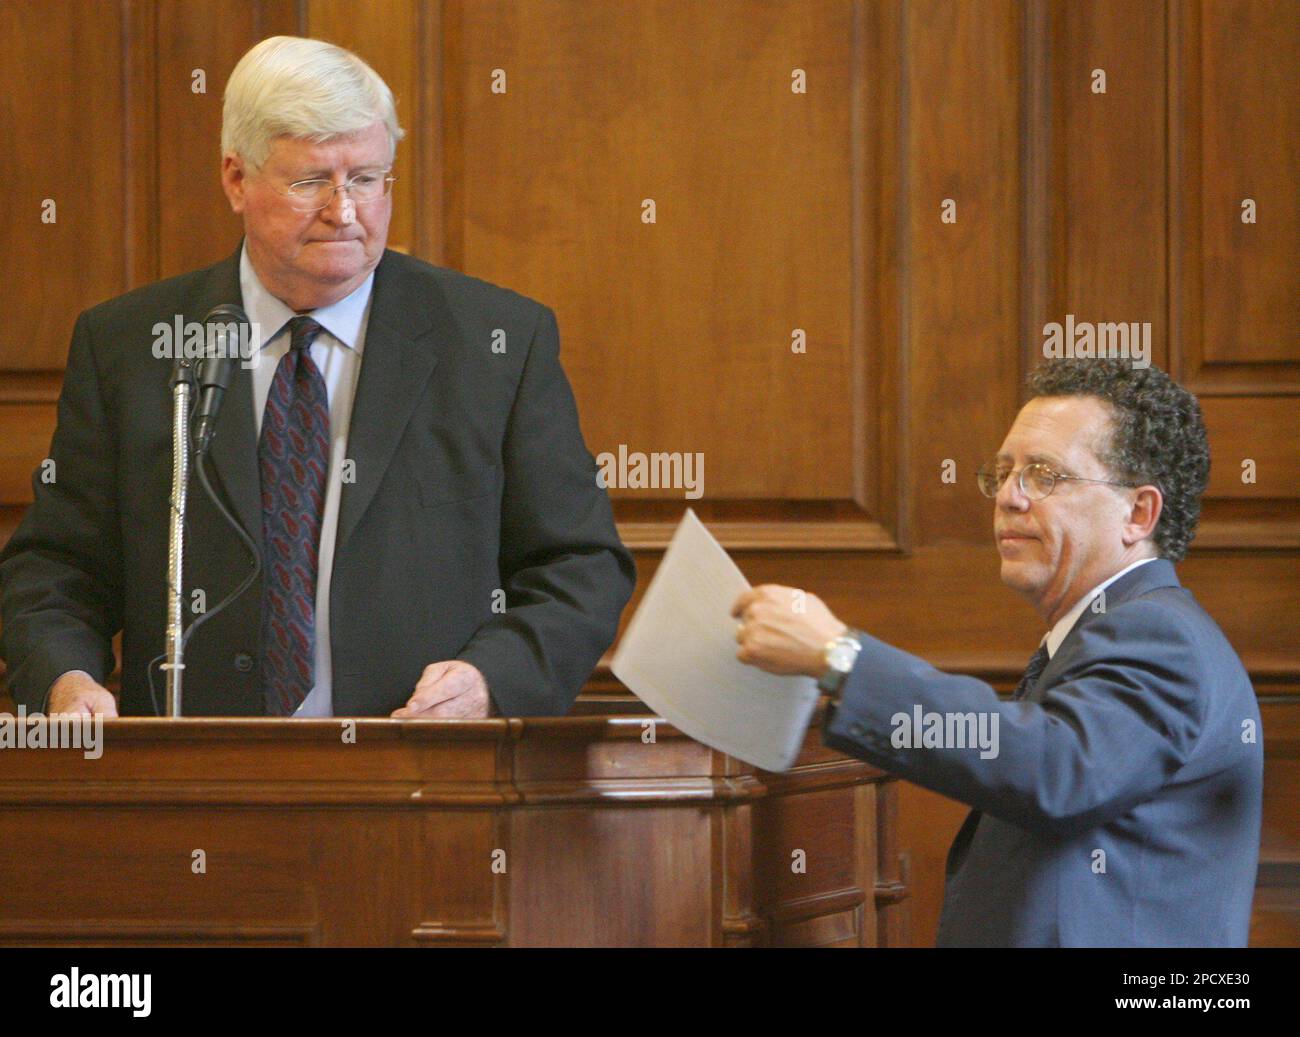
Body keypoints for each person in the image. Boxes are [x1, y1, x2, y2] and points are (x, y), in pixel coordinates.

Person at [0, 36, 635, 720]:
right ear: (236, 179)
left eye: (367, 178)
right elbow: (56, 571)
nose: (345, 211)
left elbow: (581, 566)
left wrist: (490, 680)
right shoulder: (130, 345)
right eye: (311, 181)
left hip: (419, 779)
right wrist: (67, 683)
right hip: (195, 783)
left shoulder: (494, 343)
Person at [732, 358, 1262, 947]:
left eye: (1045, 474)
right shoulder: (1115, 630)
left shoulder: (1159, 635)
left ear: (1138, 514)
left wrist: (841, 659)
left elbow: (1055, 769)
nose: (1009, 497)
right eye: (1004, 472)